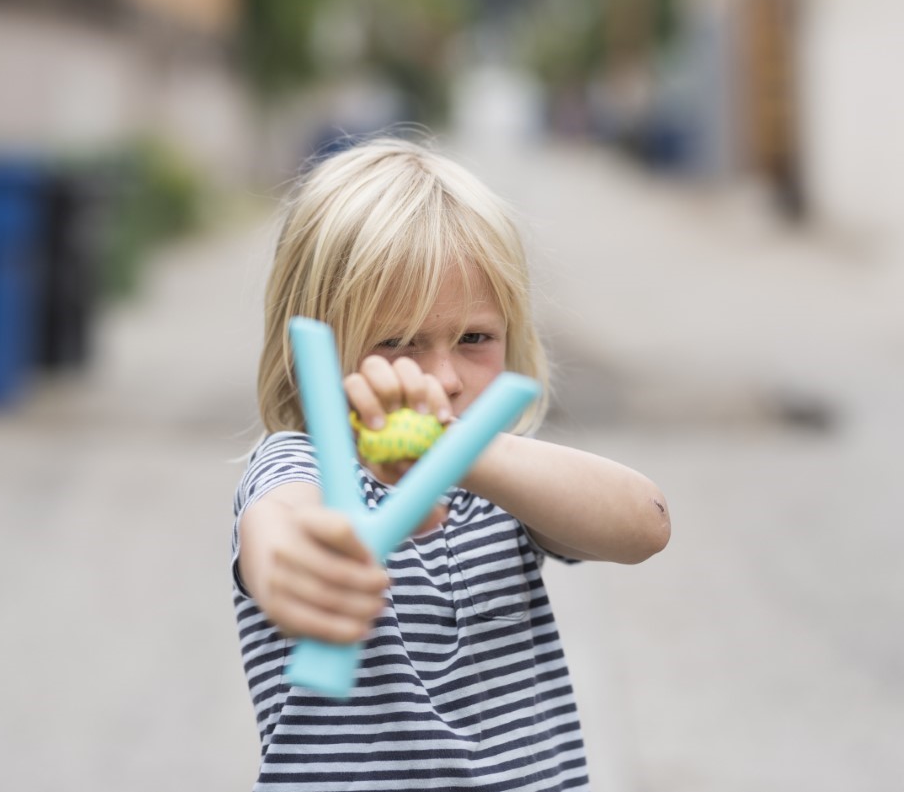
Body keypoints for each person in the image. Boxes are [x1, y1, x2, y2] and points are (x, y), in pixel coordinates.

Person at [232, 137, 670, 791]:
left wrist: (464, 452)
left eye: (474, 339)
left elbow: (646, 523)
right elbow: (279, 523)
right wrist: (296, 562)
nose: (445, 375)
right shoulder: (302, 464)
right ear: (317, 344)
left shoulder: (501, 481)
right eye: (398, 341)